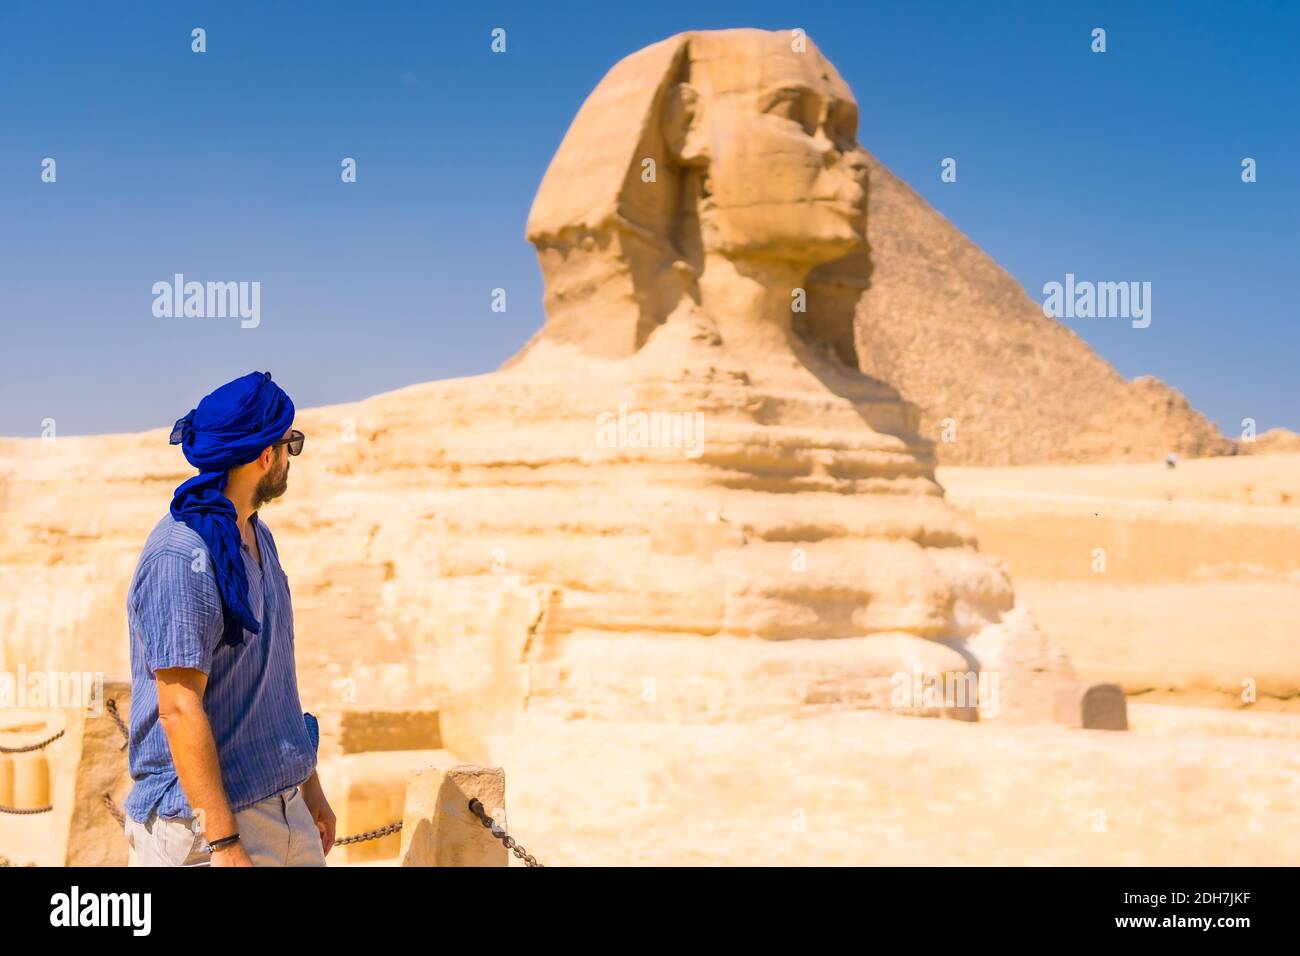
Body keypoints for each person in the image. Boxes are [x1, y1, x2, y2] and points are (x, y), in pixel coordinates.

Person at [122, 370, 335, 866]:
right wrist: (224, 845)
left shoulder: (258, 537)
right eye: (291, 445)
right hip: (204, 832)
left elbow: (273, 681)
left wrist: (308, 789)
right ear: (266, 456)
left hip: (281, 810)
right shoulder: (182, 556)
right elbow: (178, 708)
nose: (290, 458)